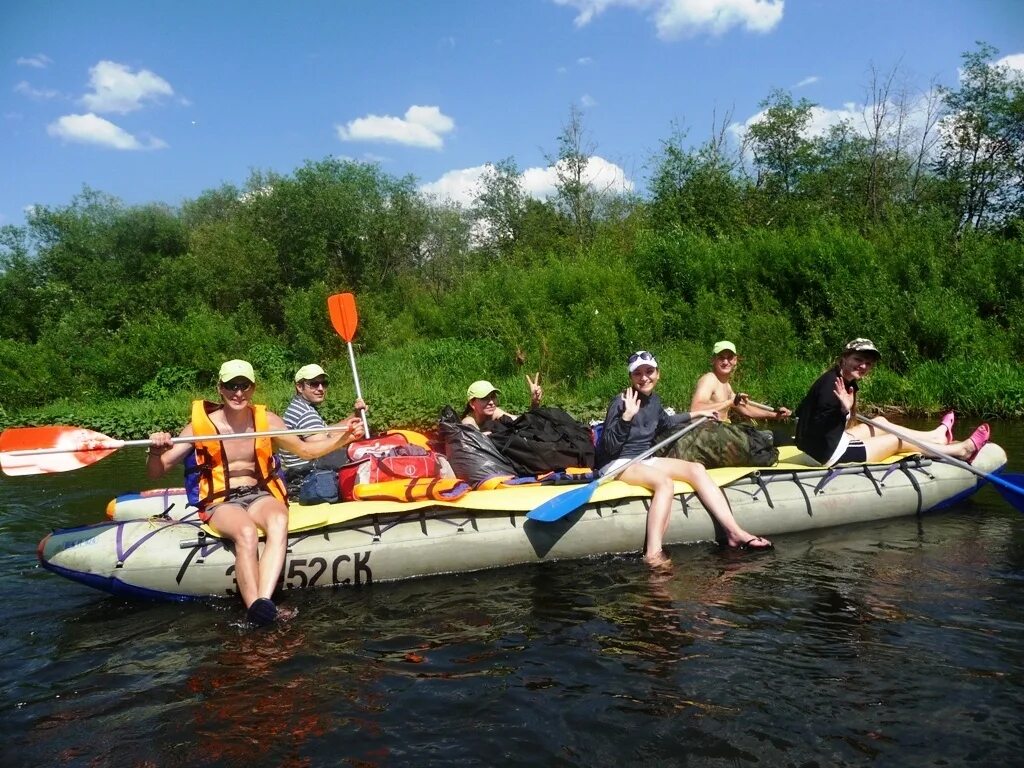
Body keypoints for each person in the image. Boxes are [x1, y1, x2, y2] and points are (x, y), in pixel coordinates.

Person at [146, 360, 364, 626]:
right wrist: (156, 451)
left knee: (279, 520)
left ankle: (262, 604)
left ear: (253, 388)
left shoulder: (267, 421)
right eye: (231, 386)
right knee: (246, 532)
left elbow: (305, 451)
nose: (238, 393)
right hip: (221, 501)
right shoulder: (198, 427)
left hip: (259, 494)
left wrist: (344, 439)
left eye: (244, 386)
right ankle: (256, 607)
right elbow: (157, 471)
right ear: (220, 389)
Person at [598, 350, 773, 567]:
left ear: (658, 374)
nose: (644, 378)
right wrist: (626, 417)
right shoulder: (621, 402)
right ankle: (653, 553)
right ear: (631, 377)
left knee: (696, 469)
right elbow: (608, 446)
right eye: (638, 374)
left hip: (644, 458)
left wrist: (699, 414)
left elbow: (666, 422)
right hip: (617, 463)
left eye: (649, 371)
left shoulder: (654, 400)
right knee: (664, 483)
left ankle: (734, 532)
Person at [794, 338, 990, 466]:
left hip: (819, 445)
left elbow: (801, 411)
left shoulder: (836, 377)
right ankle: (961, 451)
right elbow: (819, 424)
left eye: (868, 363)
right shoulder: (835, 386)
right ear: (844, 358)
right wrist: (843, 411)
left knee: (879, 421)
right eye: (858, 359)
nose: (863, 366)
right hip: (827, 455)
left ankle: (936, 436)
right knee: (896, 441)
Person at [279, 363, 366, 492]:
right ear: (299, 387)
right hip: (307, 476)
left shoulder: (298, 406)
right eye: (314, 384)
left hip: (301, 471)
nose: (320, 388)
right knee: (361, 456)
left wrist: (356, 415)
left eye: (323, 383)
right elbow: (322, 448)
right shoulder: (305, 413)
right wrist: (349, 438)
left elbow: (326, 432)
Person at [689, 340, 792, 422]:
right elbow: (696, 409)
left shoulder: (727, 386)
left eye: (729, 358)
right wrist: (729, 402)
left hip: (722, 429)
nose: (725, 362)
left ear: (735, 360)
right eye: (721, 358)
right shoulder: (709, 379)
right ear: (713, 360)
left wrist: (776, 415)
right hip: (708, 433)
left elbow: (746, 410)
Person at [461, 373, 542, 432]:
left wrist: (535, 402)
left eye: (493, 397)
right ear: (472, 404)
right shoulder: (468, 422)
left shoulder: (495, 412)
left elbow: (521, 422)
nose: (491, 402)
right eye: (484, 398)